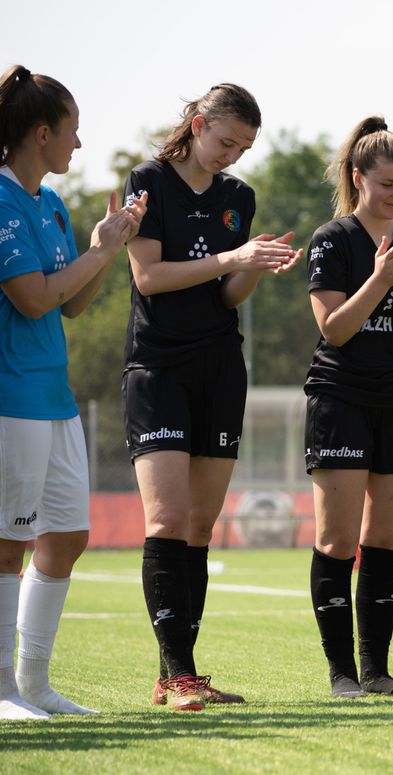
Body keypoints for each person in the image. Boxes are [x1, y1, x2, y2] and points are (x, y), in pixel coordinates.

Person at [123, 83, 302, 711]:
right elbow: (149, 276)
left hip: (221, 366)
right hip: (159, 368)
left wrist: (253, 265)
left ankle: (179, 673)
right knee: (167, 520)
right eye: (226, 140)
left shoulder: (238, 197)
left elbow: (228, 295)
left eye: (244, 147)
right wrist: (234, 253)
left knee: (200, 525)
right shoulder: (146, 181)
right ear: (197, 124)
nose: (233, 155)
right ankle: (178, 677)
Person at [0, 64, 145, 720]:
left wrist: (105, 248)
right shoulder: (0, 202)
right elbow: (33, 300)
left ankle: (33, 684)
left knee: (68, 533)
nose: (78, 145)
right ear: (39, 134)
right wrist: (97, 253)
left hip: (53, 397)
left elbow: (73, 304)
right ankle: (3, 688)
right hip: (11, 396)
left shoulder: (50, 204)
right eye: (72, 132)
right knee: (8, 542)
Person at [305, 117, 393, 699]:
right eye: (388, 183)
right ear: (359, 177)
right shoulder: (332, 239)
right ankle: (342, 676)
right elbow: (334, 330)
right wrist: (380, 278)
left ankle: (378, 672)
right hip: (341, 399)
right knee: (338, 543)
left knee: (386, 541)